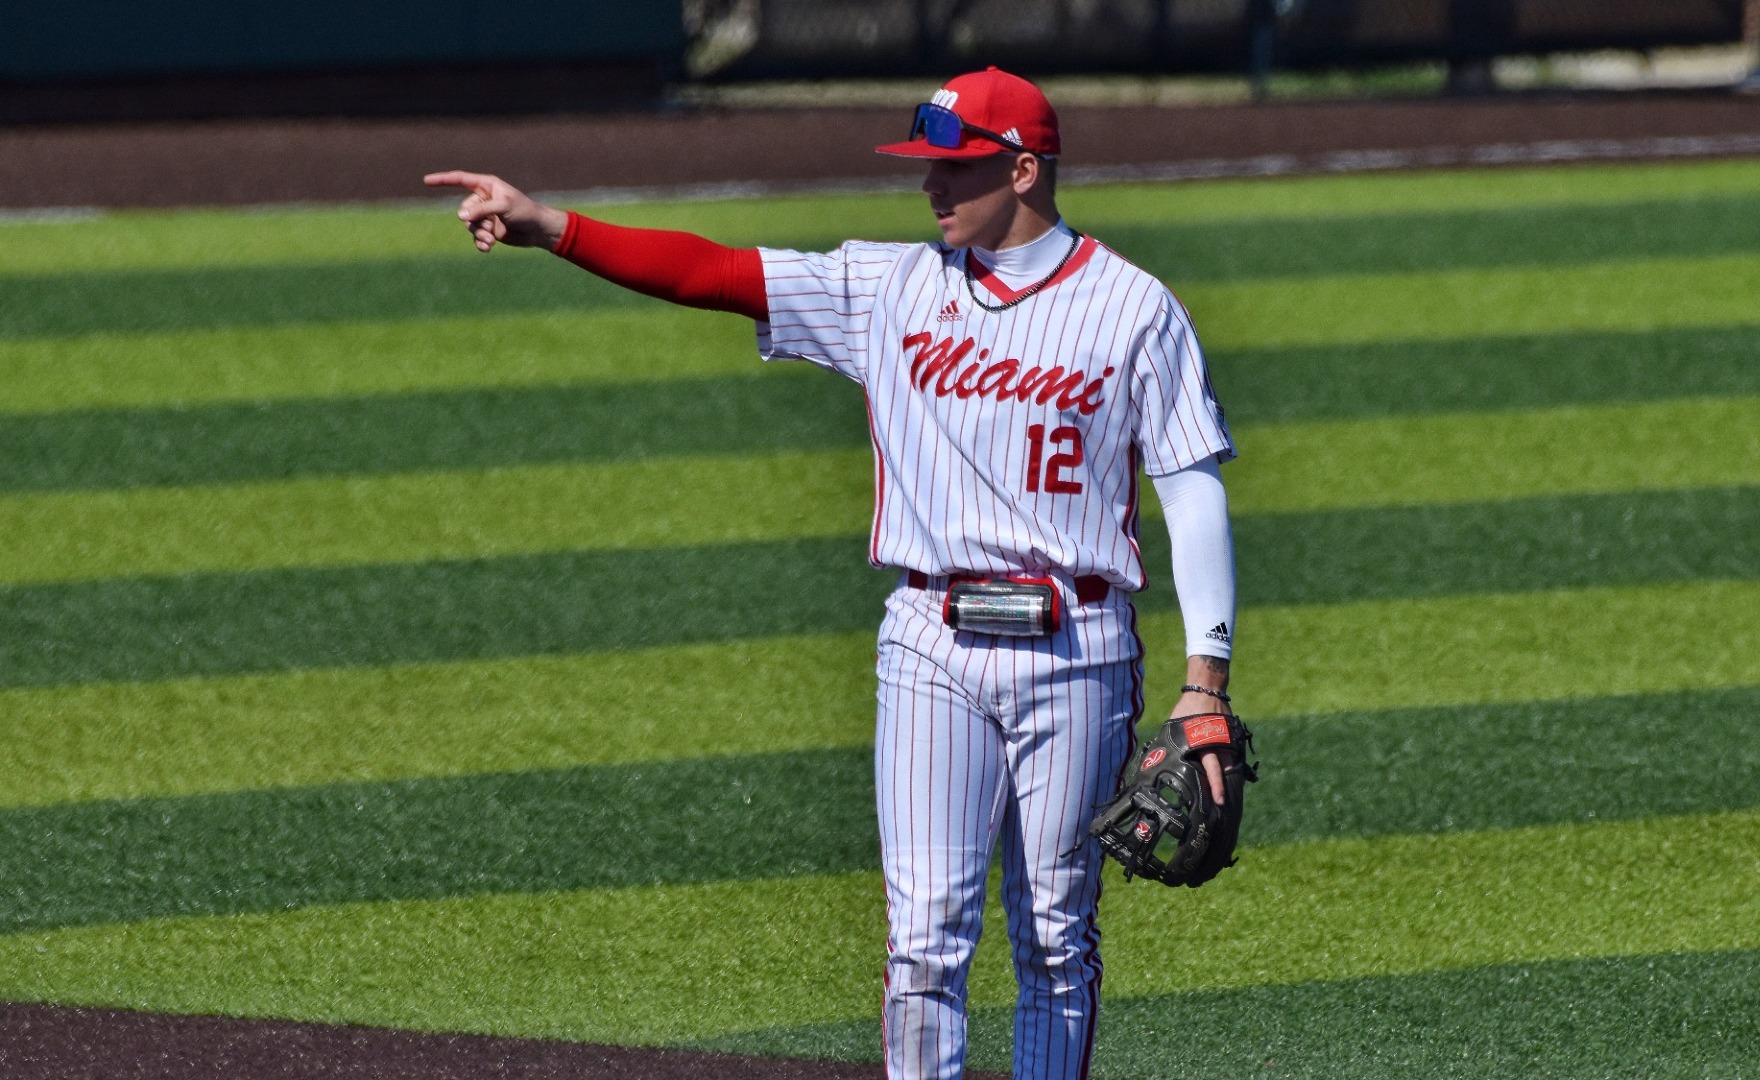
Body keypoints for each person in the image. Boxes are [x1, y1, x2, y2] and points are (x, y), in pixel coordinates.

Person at [426, 65, 1237, 1080]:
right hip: (930, 645)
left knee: (1055, 940)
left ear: (1025, 169)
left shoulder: (1133, 309)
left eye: (957, 169)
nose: (931, 189)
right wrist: (550, 224)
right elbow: (714, 274)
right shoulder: (885, 286)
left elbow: (1191, 486)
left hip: (1078, 648)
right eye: (926, 170)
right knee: (926, 940)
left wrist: (1206, 680)